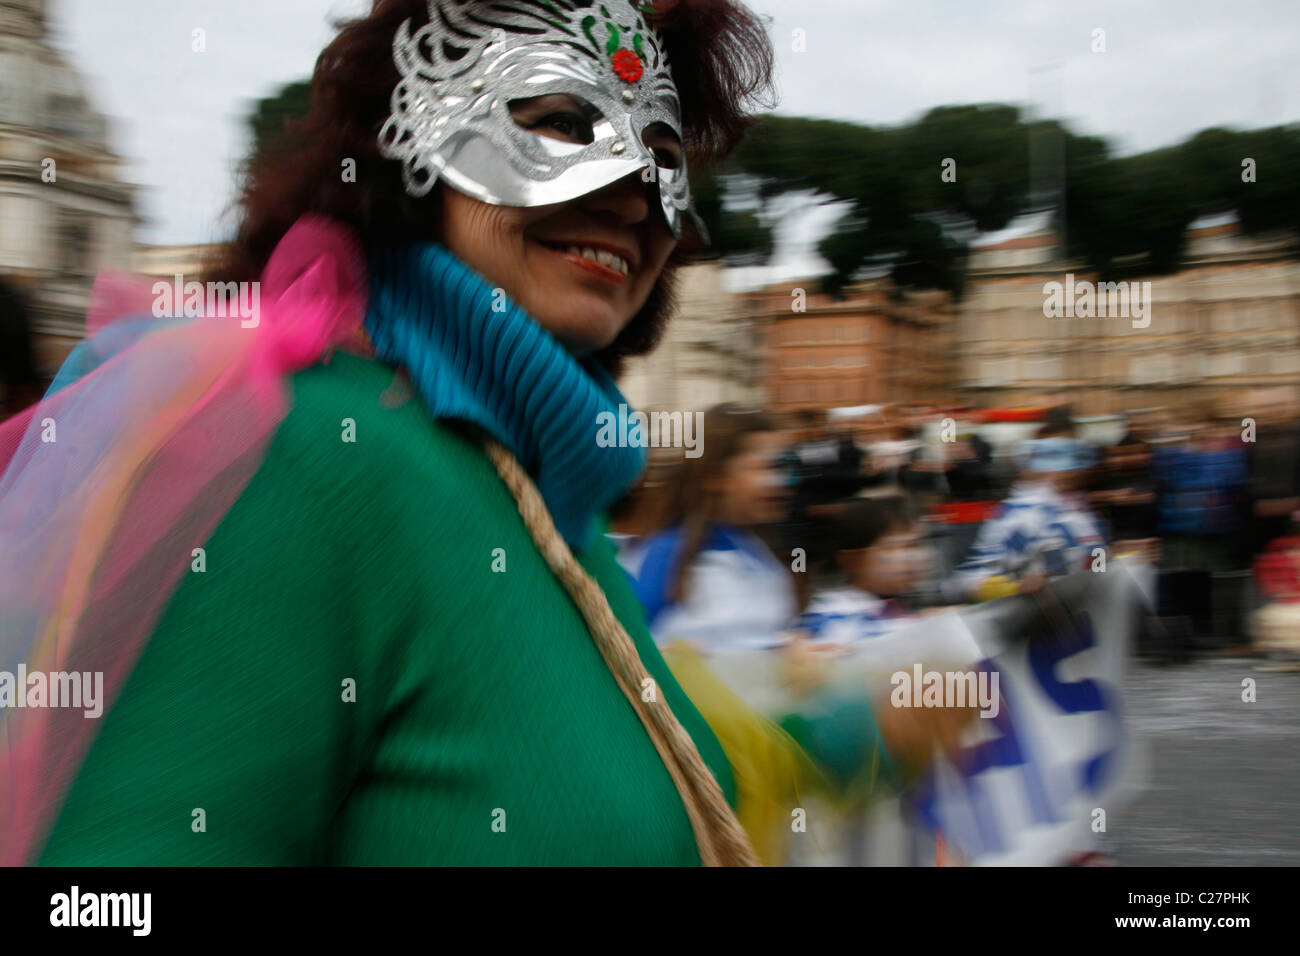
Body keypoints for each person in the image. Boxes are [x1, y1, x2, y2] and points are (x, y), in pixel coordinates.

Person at [1, 0, 778, 867]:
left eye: (666, 160)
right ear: (411, 136)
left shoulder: (555, 502)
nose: (637, 199)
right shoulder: (309, 454)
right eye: (565, 122)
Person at [948, 422, 1105, 602]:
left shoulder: (1087, 514)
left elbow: (1097, 568)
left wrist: (1114, 560)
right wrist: (1015, 589)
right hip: (1036, 623)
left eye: (1076, 452)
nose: (1070, 468)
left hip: (1083, 620)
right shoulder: (1019, 515)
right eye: (1053, 454)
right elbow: (966, 582)